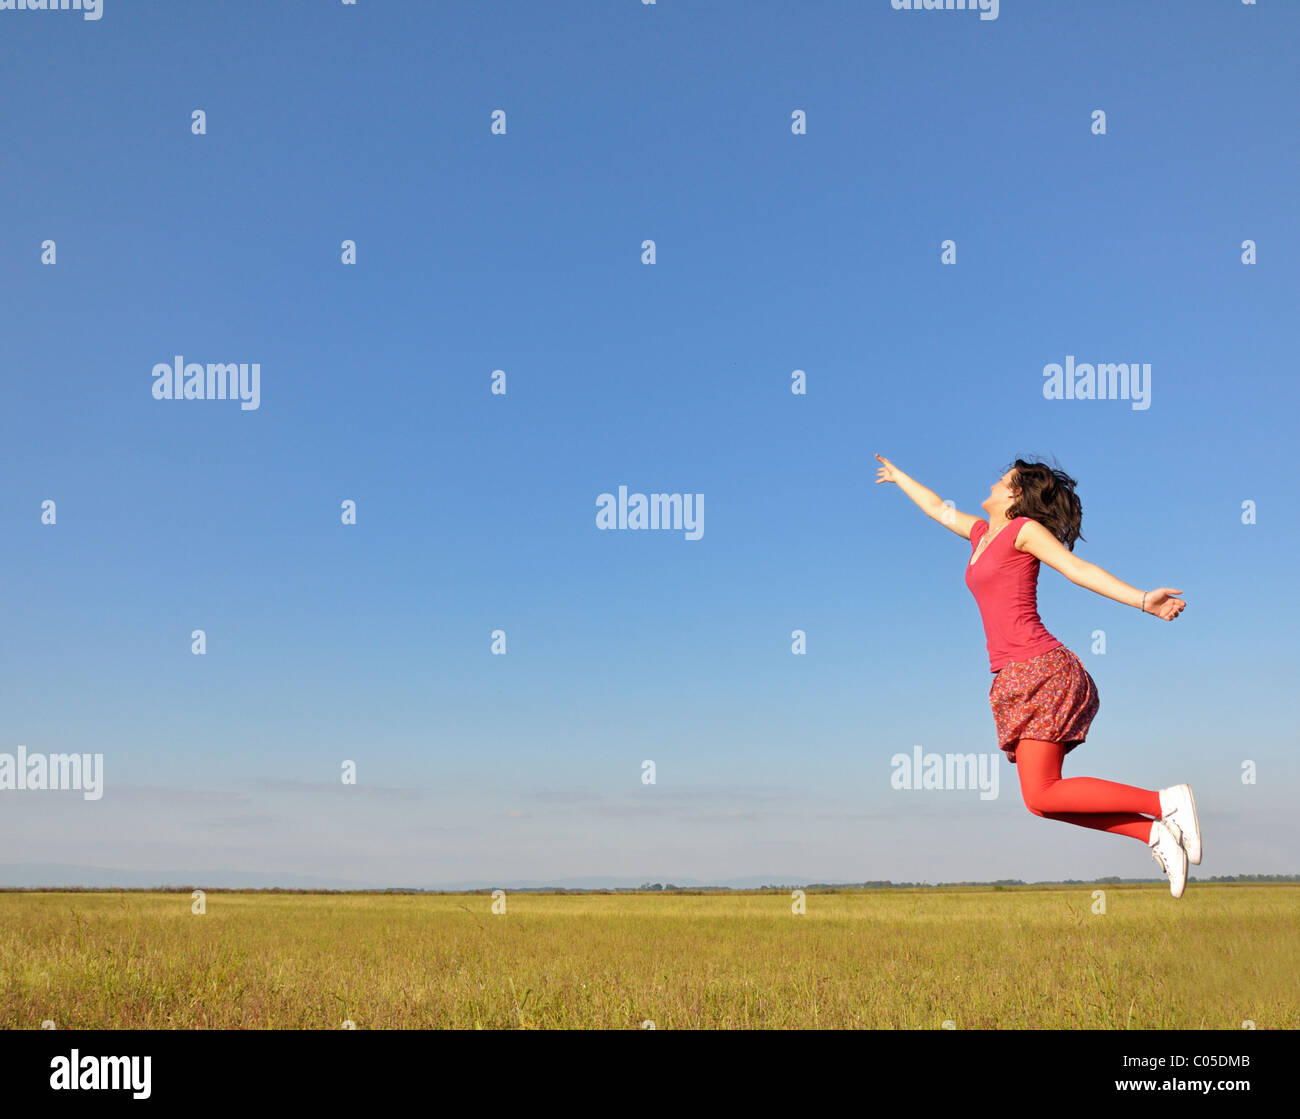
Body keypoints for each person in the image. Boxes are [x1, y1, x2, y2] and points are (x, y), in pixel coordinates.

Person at [874, 453, 1201, 897]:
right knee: (1041, 799)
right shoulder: (981, 535)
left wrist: (1145, 600)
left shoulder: (1023, 531)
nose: (991, 484)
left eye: (1001, 481)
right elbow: (937, 508)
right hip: (1014, 677)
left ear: (1016, 494)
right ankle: (1154, 833)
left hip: (1041, 670)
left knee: (1044, 793)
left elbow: (1076, 569)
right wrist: (899, 477)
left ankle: (1165, 803)